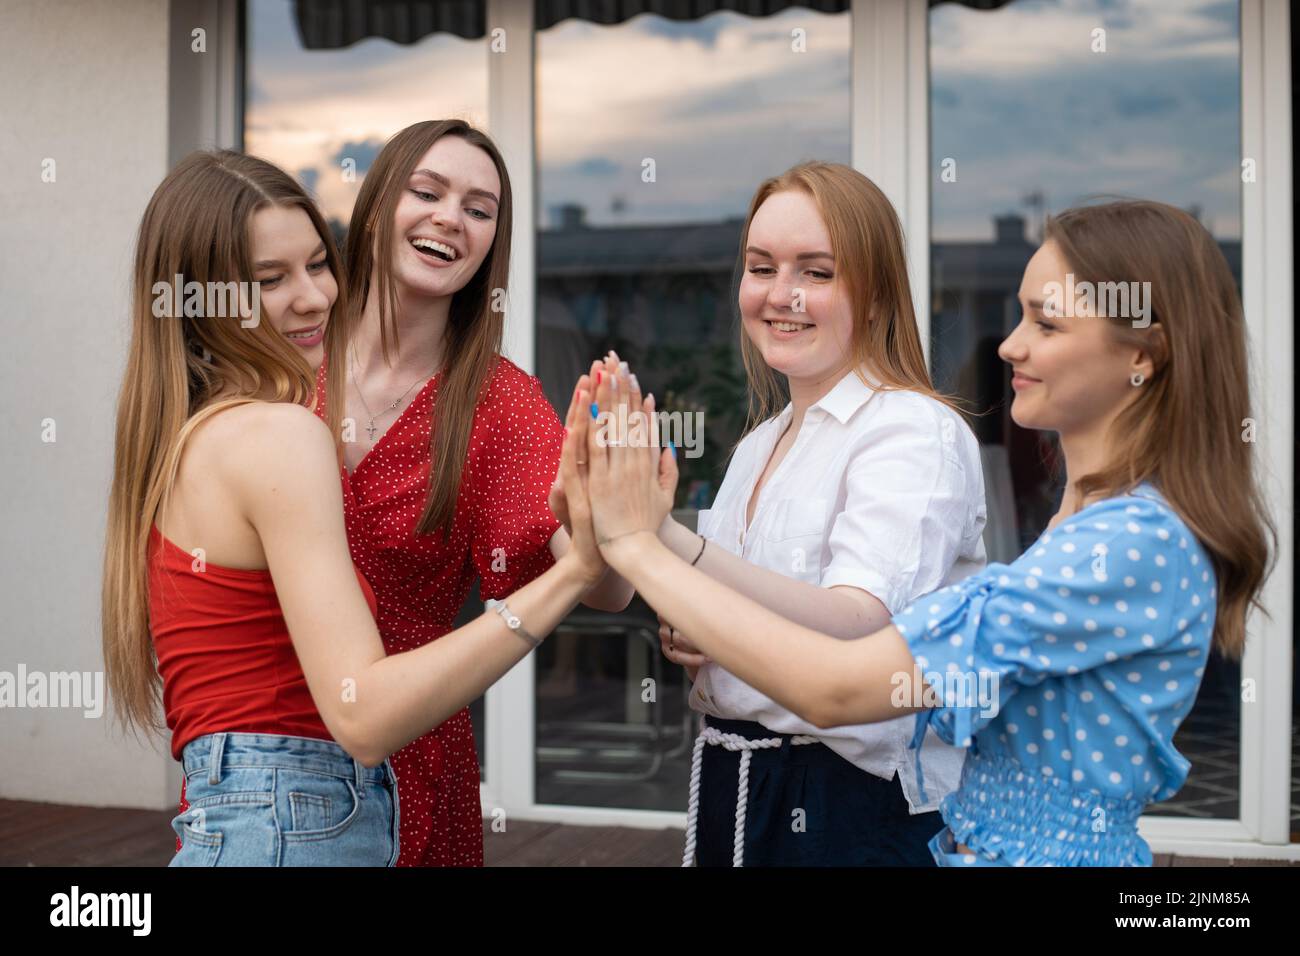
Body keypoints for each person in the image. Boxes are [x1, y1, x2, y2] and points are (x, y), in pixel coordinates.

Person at [570, 199, 1275, 866]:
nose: (1007, 345)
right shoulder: (1092, 523)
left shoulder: (1128, 543)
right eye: (761, 266)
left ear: (1141, 355)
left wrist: (639, 540)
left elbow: (838, 683)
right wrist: (623, 528)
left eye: (1047, 324)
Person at [102, 150, 608, 865]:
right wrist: (573, 573)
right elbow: (363, 716)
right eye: (269, 280)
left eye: (316, 264)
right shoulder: (282, 432)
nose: (312, 297)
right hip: (300, 812)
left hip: (240, 813)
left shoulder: (191, 431)